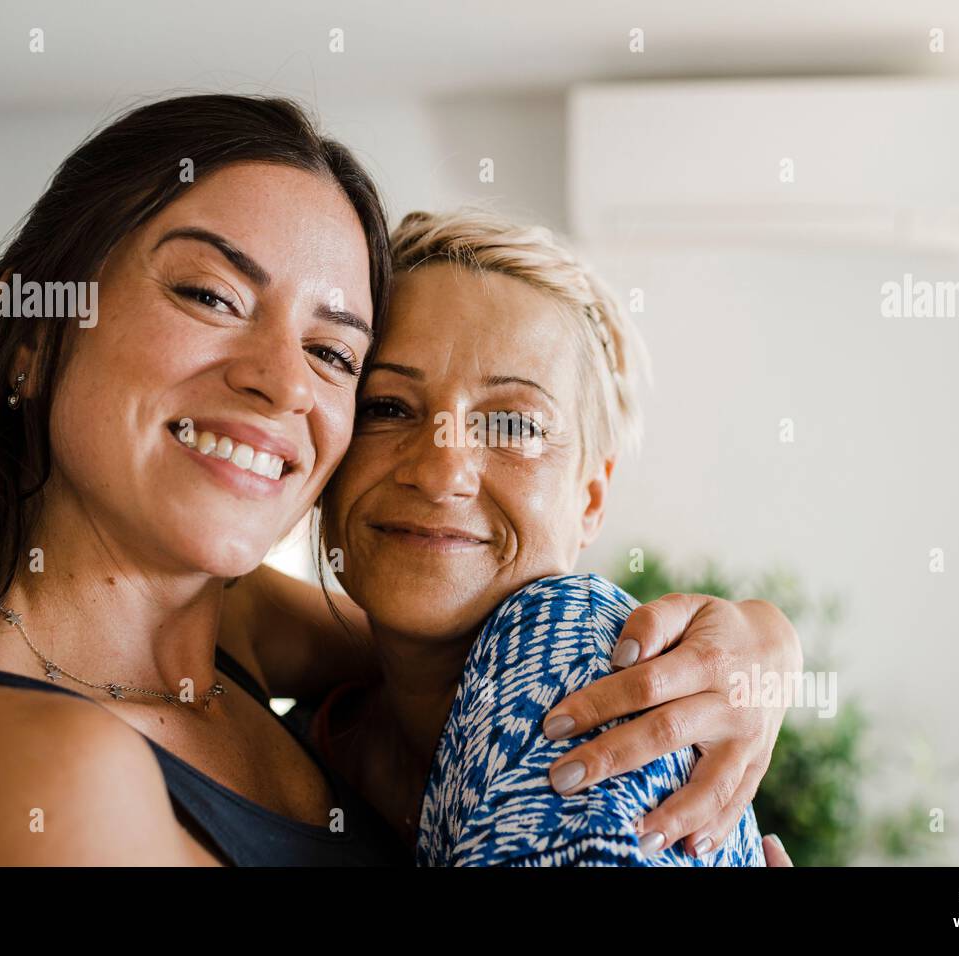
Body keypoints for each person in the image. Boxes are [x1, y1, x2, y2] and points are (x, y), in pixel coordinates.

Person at [0, 95, 798, 866]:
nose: (281, 380)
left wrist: (758, 652)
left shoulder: (230, 639)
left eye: (334, 354)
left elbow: (425, 633)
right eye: (210, 295)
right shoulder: (22, 772)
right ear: (38, 338)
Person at [303, 209, 770, 864]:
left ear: (590, 500)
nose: (442, 474)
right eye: (386, 407)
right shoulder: (299, 730)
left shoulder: (588, 676)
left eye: (514, 425)